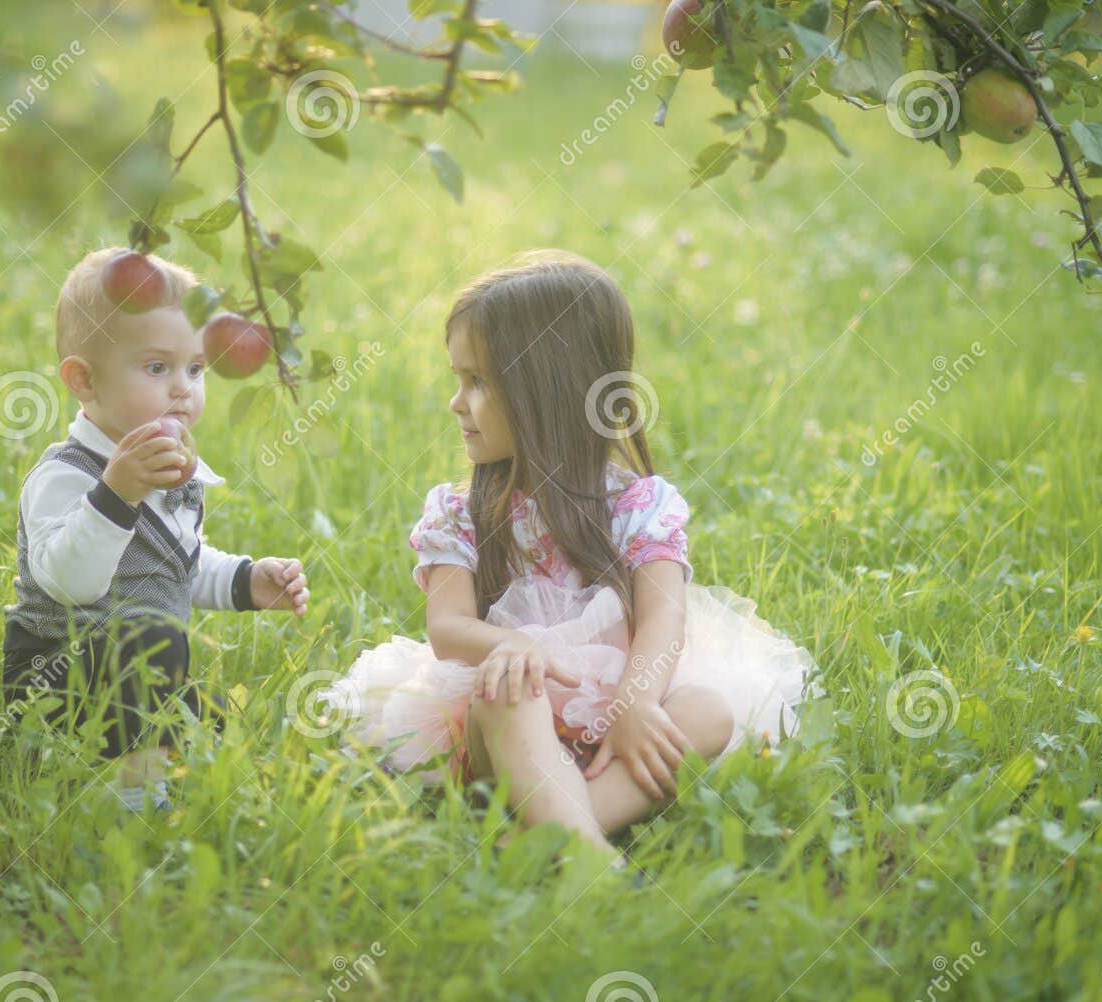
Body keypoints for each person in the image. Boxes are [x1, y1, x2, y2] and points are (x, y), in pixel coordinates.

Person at [327, 250, 815, 856]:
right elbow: (447, 628)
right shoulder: (459, 512)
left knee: (709, 712)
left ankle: (551, 840)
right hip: (507, 728)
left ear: (546, 391)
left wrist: (635, 705)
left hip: (616, 713)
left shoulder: (639, 504)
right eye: (458, 379)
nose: (456, 402)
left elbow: (664, 617)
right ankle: (588, 856)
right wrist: (511, 645)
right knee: (506, 695)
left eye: (477, 382)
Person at [3, 247, 309, 812]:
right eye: (156, 368)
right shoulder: (64, 477)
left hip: (130, 674)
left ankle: (145, 761)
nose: (183, 390)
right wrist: (116, 495)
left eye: (194, 369)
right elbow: (71, 583)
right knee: (154, 644)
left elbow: (174, 564)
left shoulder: (167, 465)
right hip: (56, 673)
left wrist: (245, 581)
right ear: (84, 380)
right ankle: (136, 800)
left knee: (216, 718)